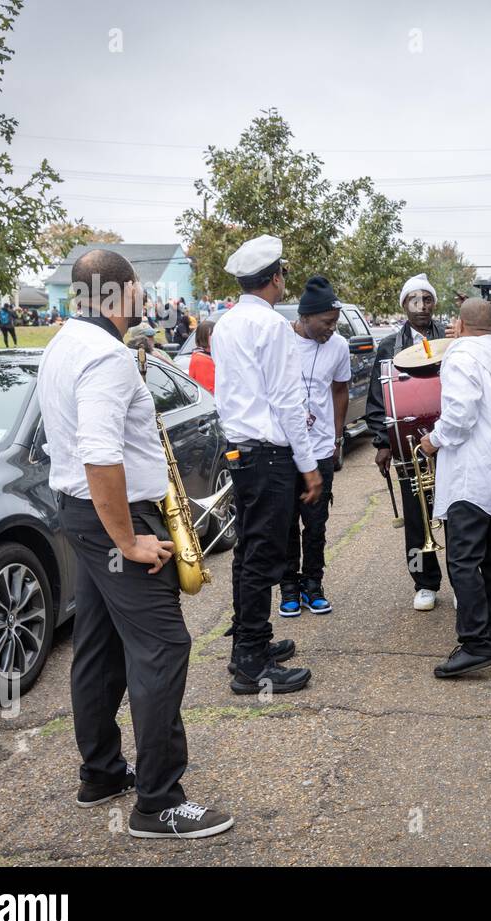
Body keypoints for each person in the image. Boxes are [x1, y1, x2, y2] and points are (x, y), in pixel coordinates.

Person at [37, 248, 233, 839]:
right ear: (119, 294)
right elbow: (101, 454)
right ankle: (158, 802)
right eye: (139, 290)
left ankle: (100, 773)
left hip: (84, 514)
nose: (146, 300)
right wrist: (131, 539)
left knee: (98, 644)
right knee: (164, 646)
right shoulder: (106, 357)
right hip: (114, 521)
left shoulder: (63, 344)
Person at [211, 234, 321, 694]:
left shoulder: (224, 323)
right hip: (269, 453)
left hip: (241, 450)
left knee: (248, 552)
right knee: (265, 555)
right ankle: (252, 663)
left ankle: (248, 642)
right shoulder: (272, 326)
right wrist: (309, 464)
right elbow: (286, 401)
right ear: (275, 279)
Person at [419, 298, 491, 678]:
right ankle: (490, 632)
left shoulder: (460, 356)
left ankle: (476, 642)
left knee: (463, 560)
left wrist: (433, 440)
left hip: (472, 472)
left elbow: (460, 416)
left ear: (459, 326)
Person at [364, 274, 448, 611]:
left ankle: (461, 579)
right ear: (404, 306)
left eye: (427, 299)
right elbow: (376, 399)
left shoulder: (451, 339)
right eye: (415, 300)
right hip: (408, 447)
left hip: (449, 444)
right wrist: (383, 442)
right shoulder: (388, 347)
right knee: (416, 520)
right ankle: (423, 582)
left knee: (456, 515)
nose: (423, 306)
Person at [278, 276, 352, 619]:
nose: (332, 329)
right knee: (286, 522)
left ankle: (314, 585)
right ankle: (289, 587)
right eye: (326, 323)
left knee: (316, 522)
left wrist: (337, 436)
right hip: (284, 446)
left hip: (320, 447)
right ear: (305, 317)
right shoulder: (281, 340)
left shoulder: (337, 346)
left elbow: (340, 389)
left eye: (335, 323)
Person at [188, 319, 216, 394]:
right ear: (203, 336)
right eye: (212, 334)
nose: (216, 337)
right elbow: (209, 390)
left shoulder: (208, 355)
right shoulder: (202, 360)